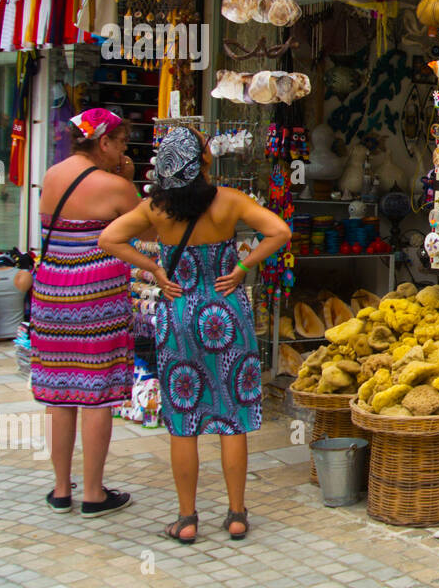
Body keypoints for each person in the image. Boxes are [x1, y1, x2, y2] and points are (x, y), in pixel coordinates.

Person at [100, 127, 290, 543]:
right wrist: (242, 268)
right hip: (226, 311)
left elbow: (109, 238)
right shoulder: (228, 201)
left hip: (180, 313)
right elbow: (280, 232)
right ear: (202, 161)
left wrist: (153, 269)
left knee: (183, 420)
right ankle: (237, 513)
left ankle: (187, 519)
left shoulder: (156, 208)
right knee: (233, 417)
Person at [31, 108, 139, 517]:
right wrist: (127, 178)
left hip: (51, 296)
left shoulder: (53, 174)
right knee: (96, 397)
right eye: (122, 143)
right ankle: (93, 493)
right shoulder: (115, 187)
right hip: (97, 300)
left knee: (61, 394)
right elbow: (145, 229)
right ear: (104, 142)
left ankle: (61, 489)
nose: (124, 150)